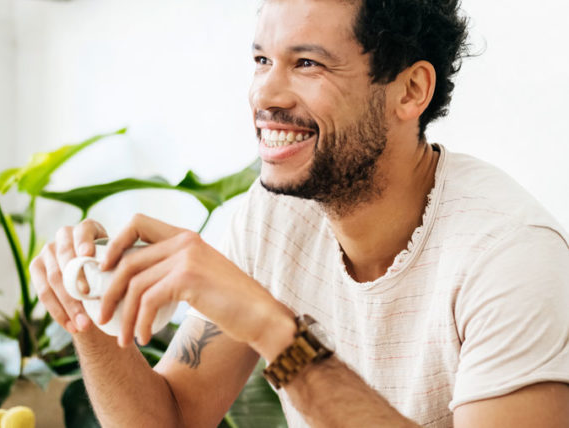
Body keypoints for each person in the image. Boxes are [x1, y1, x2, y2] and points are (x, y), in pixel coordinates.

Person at [29, 0, 569, 426]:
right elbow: (170, 419)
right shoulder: (270, 219)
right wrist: (85, 308)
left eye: (307, 63)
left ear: (410, 90)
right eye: (262, 60)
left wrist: (274, 331)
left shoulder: (509, 256)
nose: (265, 92)